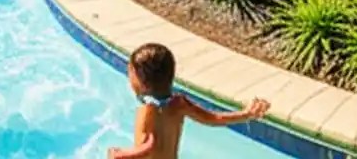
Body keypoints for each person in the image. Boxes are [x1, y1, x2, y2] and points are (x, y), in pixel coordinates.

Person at [107, 43, 270, 159]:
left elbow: (150, 146)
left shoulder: (146, 110)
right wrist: (245, 114)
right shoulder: (179, 103)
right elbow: (213, 118)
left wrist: (121, 155)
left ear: (142, 81)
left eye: (130, 73)